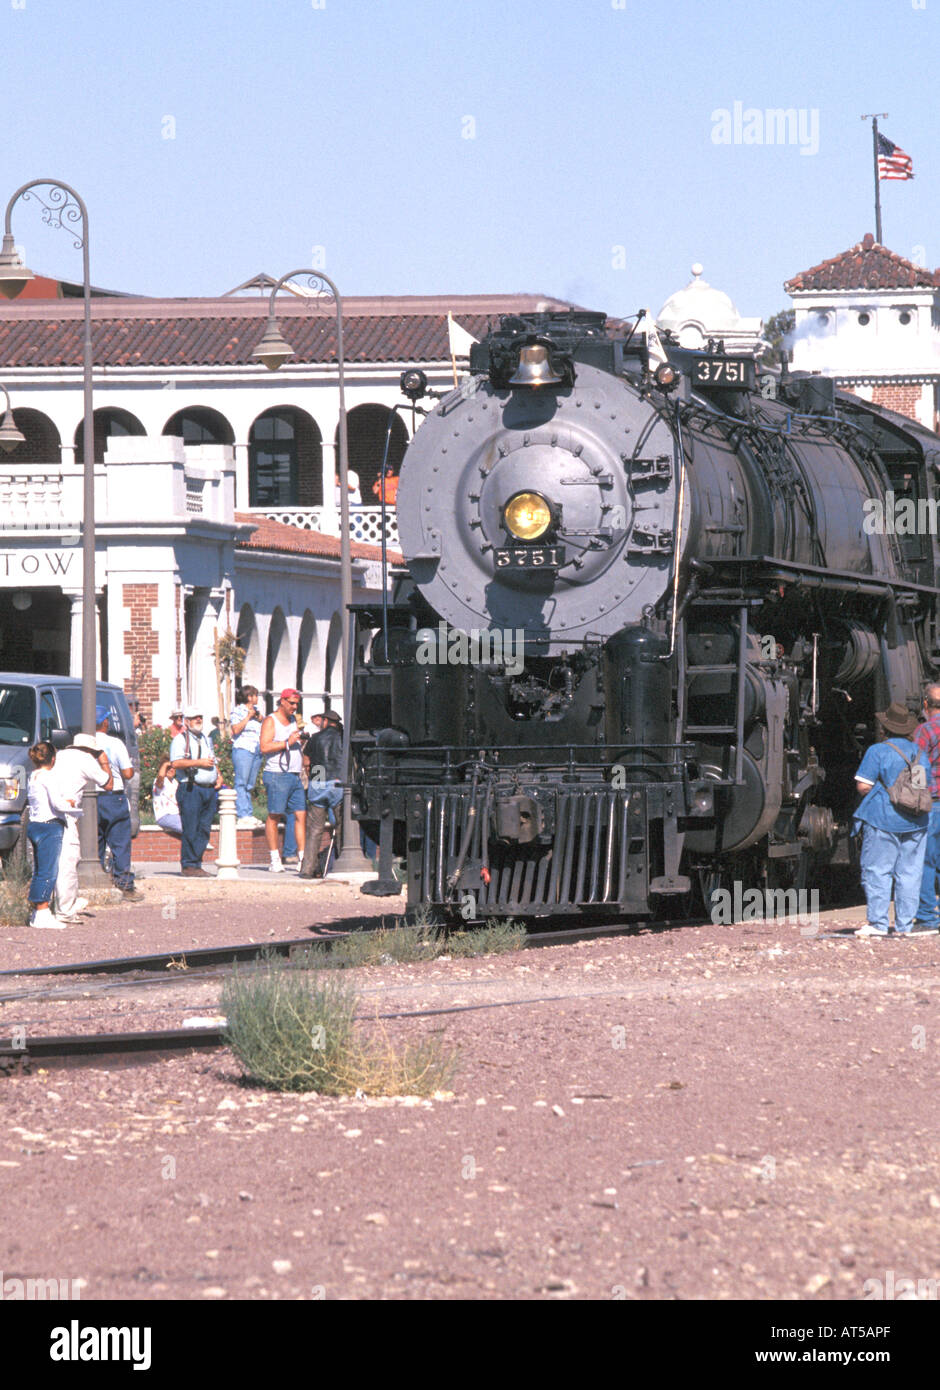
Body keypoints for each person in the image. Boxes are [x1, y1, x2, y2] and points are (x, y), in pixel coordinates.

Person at [854, 701, 931, 937]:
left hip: (882, 819)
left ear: (884, 728)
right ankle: (905, 925)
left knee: (878, 870)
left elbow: (863, 786)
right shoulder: (918, 753)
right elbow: (918, 788)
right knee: (909, 873)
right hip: (915, 821)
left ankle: (878, 923)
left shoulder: (877, 751)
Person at [48, 734, 113, 923]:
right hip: (65, 814)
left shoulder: (59, 755)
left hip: (46, 813)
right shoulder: (86, 759)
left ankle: (50, 905)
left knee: (50, 862)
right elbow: (109, 784)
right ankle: (65, 910)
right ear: (91, 751)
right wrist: (104, 762)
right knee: (69, 861)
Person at [25, 742, 77, 930]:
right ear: (53, 759)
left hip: (35, 824)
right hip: (50, 826)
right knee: (48, 870)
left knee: (39, 870)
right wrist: (71, 804)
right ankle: (42, 912)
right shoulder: (49, 776)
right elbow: (57, 804)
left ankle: (37, 911)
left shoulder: (33, 776)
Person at [95, 705, 142, 902]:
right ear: (105, 722)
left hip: (90, 798)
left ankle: (95, 879)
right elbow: (128, 773)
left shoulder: (80, 742)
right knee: (120, 842)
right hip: (113, 796)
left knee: (93, 843)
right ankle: (123, 883)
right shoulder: (115, 743)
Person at [169, 707, 221, 877]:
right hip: (190, 788)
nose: (198, 720)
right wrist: (199, 762)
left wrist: (218, 775)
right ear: (186, 721)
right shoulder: (180, 740)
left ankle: (196, 863)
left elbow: (211, 760)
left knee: (204, 828)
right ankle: (189, 865)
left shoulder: (205, 738)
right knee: (191, 827)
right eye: (194, 718)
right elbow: (176, 763)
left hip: (208, 789)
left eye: (200, 717)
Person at [259, 688, 306, 873]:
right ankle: (274, 858)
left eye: (297, 704)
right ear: (283, 701)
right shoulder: (271, 720)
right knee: (274, 815)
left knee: (300, 815)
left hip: (295, 775)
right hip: (277, 774)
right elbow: (264, 746)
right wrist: (287, 742)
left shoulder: (294, 720)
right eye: (292, 703)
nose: (295, 707)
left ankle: (302, 858)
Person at [300, 710, 344, 879]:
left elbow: (307, 762)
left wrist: (314, 775)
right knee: (341, 829)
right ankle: (340, 866)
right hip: (338, 782)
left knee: (314, 830)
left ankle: (307, 869)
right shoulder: (342, 738)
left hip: (318, 780)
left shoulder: (315, 738)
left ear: (326, 721)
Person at [912, 683, 940, 931]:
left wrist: (918, 796)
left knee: (926, 862)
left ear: (926, 705)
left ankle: (928, 917)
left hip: (934, 805)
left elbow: (918, 768)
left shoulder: (925, 730)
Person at [229, 685, 264, 828]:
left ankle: (248, 813)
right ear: (249, 697)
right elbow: (235, 729)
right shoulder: (238, 711)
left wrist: (258, 717)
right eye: (255, 695)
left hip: (256, 749)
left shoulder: (257, 712)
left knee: (249, 784)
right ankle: (242, 814)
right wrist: (248, 717)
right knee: (241, 782)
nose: (257, 698)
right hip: (244, 748)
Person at [152, 759, 182, 837]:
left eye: (173, 768)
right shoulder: (160, 781)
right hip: (165, 816)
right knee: (188, 828)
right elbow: (160, 778)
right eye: (168, 768)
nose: (171, 770)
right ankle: (201, 843)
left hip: (176, 815)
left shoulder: (175, 782)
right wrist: (165, 764)